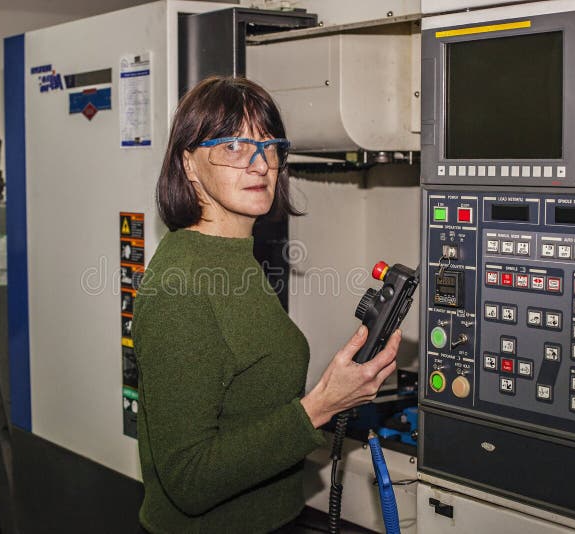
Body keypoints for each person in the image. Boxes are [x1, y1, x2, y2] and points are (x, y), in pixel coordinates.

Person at [132, 76, 401, 534]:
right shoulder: (179, 288)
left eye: (269, 146)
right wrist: (319, 406)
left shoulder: (234, 258)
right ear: (189, 165)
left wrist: (335, 393)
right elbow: (189, 479)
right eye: (234, 146)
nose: (260, 164)